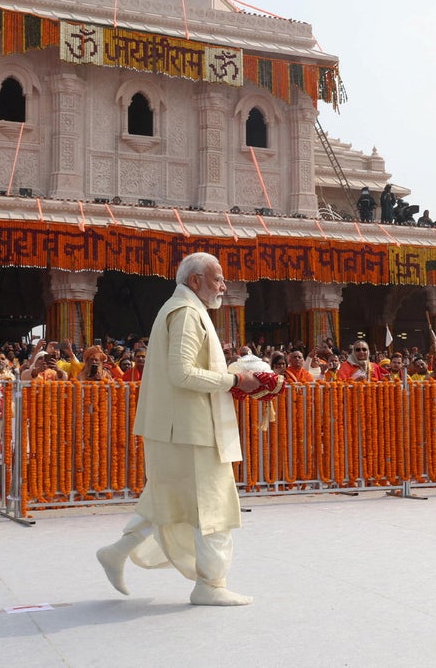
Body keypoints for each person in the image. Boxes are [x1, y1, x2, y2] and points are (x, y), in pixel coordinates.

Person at [96, 252, 261, 607]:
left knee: (168, 498)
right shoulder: (186, 313)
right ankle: (211, 584)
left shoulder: (183, 309)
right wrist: (235, 379)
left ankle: (116, 551)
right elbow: (182, 373)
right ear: (195, 281)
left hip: (179, 427)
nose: (223, 285)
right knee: (213, 506)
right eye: (217, 279)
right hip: (190, 429)